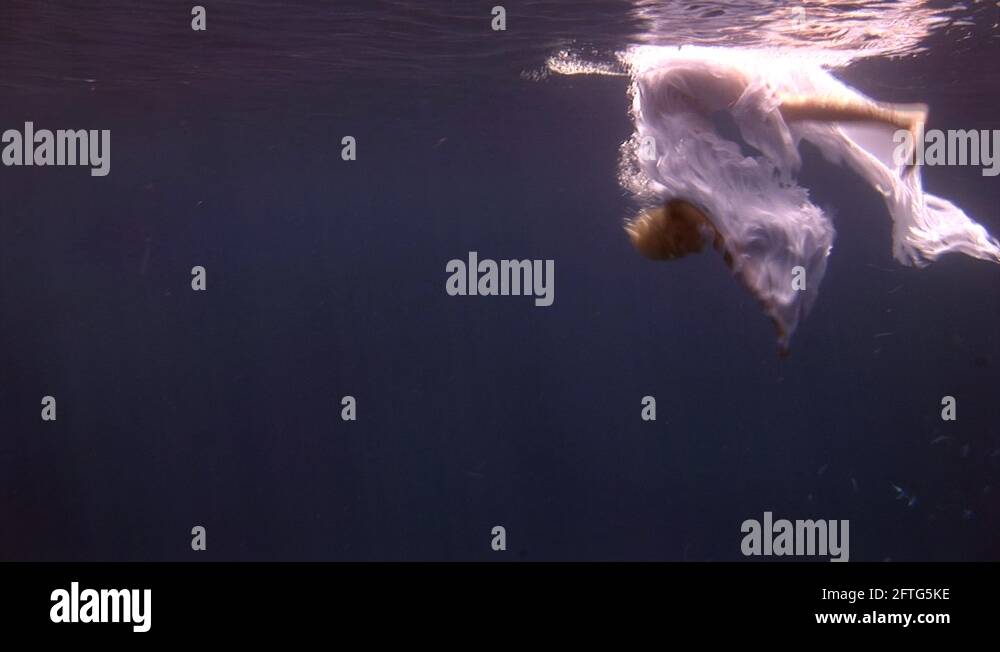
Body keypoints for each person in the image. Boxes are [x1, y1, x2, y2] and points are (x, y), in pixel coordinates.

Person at [622, 46, 1000, 351]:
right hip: (671, 71)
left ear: (670, 237)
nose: (690, 251)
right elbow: (732, 251)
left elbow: (733, 251)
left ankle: (899, 119)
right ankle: (896, 120)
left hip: (675, 75)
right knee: (774, 108)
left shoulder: (684, 194)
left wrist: (777, 308)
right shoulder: (680, 197)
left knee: (770, 109)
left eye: (678, 250)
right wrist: (774, 309)